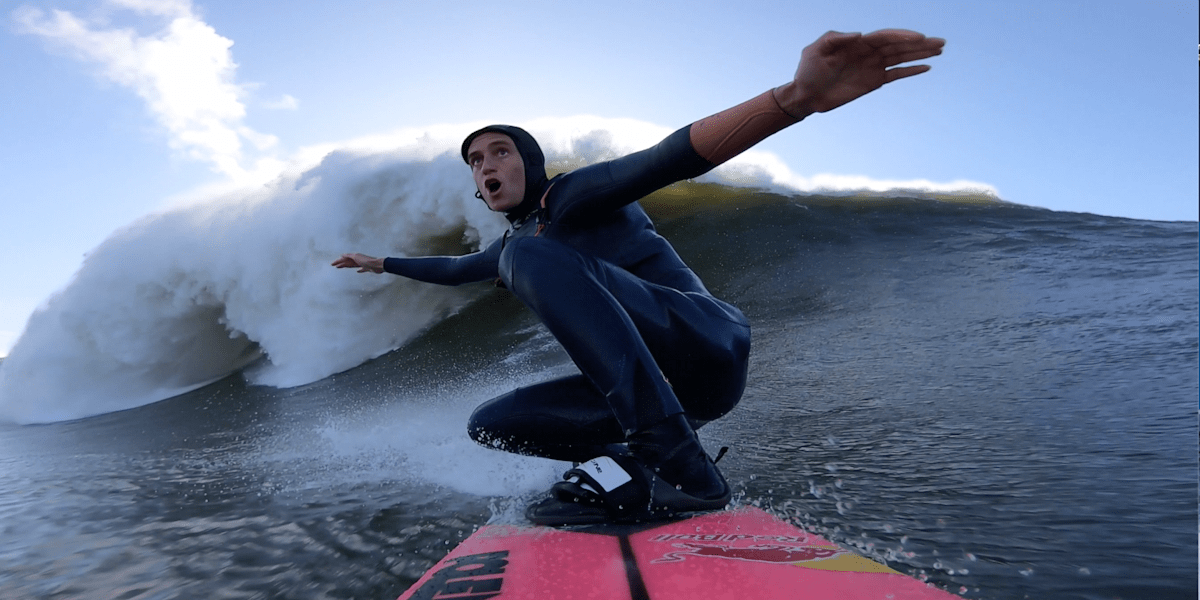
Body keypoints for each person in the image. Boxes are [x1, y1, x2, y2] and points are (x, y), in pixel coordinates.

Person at [333, 29, 945, 525]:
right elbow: (454, 269)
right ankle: (633, 462)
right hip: (673, 392)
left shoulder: (572, 196)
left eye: (499, 151)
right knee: (491, 425)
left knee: (523, 258)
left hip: (706, 340)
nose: (485, 164)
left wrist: (792, 100)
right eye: (475, 160)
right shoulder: (516, 242)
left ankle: (680, 470)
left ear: (532, 161)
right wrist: (380, 262)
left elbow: (666, 159)